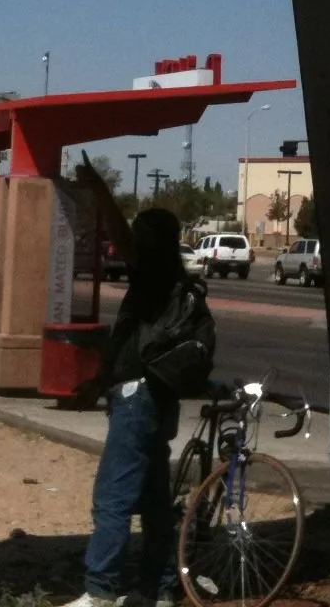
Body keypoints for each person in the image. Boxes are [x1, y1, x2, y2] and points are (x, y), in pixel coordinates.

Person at [67, 163, 207, 607]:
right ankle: (158, 589)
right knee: (153, 502)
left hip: (138, 401)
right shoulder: (170, 282)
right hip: (155, 400)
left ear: (153, 241)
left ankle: (100, 592)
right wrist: (97, 384)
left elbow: (121, 237)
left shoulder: (154, 274)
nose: (131, 241)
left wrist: (99, 189)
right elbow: (131, 342)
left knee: (112, 498)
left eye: (142, 233)